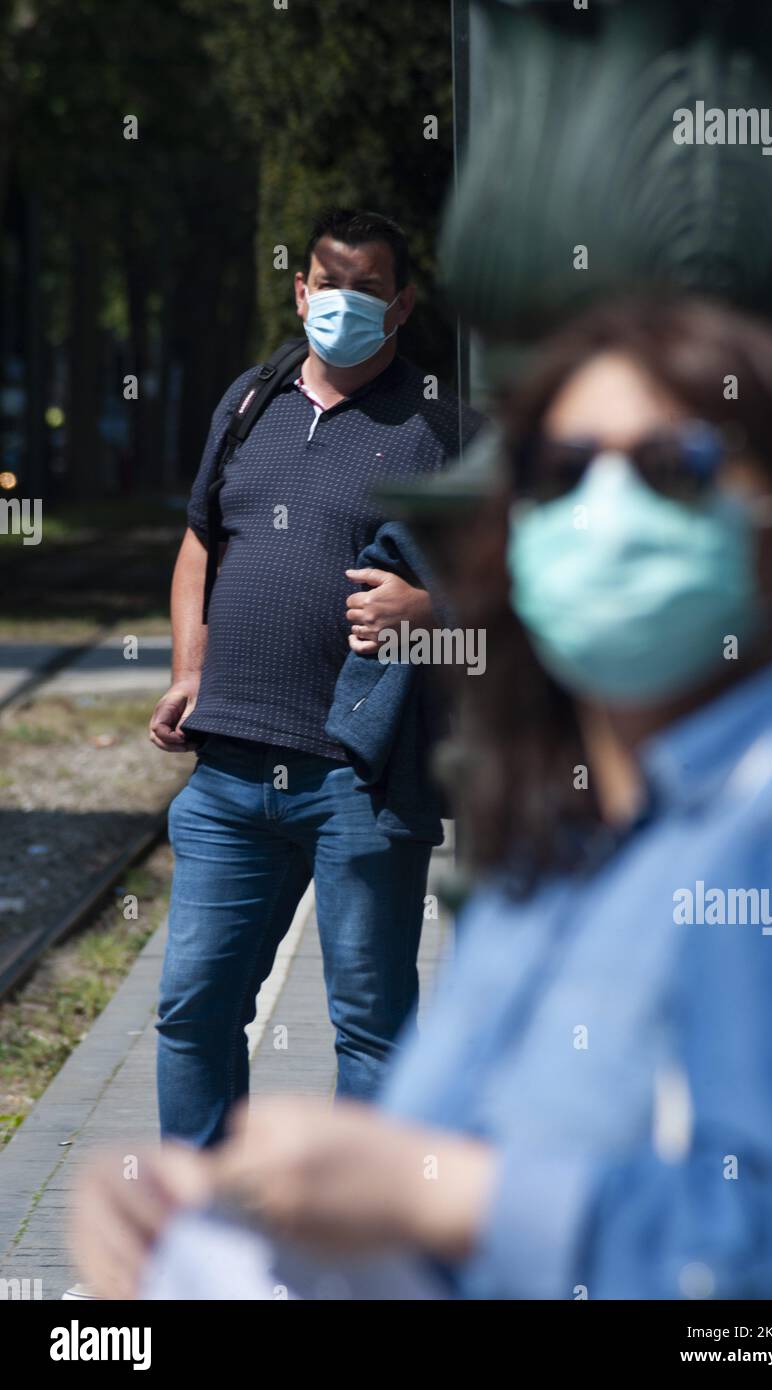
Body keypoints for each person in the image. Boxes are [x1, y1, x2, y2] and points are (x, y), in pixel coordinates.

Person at [77, 296, 772, 1299]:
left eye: (671, 468)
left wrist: (444, 1194)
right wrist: (223, 1236)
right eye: (559, 473)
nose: (605, 512)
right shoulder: (555, 839)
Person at [148, 207, 485, 1146]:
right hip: (226, 776)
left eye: (367, 289)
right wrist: (188, 668)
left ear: (402, 302)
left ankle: (363, 1266)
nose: (342, 303)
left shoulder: (445, 429)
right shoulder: (249, 401)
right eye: (326, 285)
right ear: (300, 290)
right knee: (192, 1011)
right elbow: (197, 545)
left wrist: (430, 610)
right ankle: (203, 1238)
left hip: (360, 782)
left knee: (372, 1030)